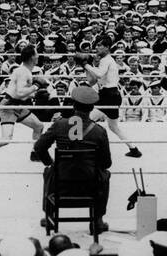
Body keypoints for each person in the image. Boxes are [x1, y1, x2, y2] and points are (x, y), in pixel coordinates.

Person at [33, 85, 113, 232]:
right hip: (90, 184)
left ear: (73, 105)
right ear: (91, 108)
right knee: (105, 175)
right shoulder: (99, 131)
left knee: (49, 171)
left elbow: (39, 147)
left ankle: (50, 215)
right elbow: (107, 163)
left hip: (61, 182)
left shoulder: (59, 124)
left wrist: (50, 163)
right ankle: (97, 220)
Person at [0, 45, 48, 169]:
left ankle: (35, 154)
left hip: (18, 105)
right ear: (31, 57)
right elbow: (21, 92)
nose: (38, 56)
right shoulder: (23, 72)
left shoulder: (25, 71)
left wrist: (37, 93)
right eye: (36, 54)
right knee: (6, 138)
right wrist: (36, 87)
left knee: (38, 126)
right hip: (9, 105)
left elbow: (22, 94)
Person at [81, 38, 142, 157]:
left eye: (100, 45)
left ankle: (78, 147)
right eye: (97, 45)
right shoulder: (106, 61)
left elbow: (98, 74)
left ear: (107, 47)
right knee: (113, 127)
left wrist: (86, 65)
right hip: (112, 94)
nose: (97, 47)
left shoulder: (106, 60)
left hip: (108, 95)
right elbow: (93, 81)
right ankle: (134, 149)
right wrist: (87, 67)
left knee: (86, 120)